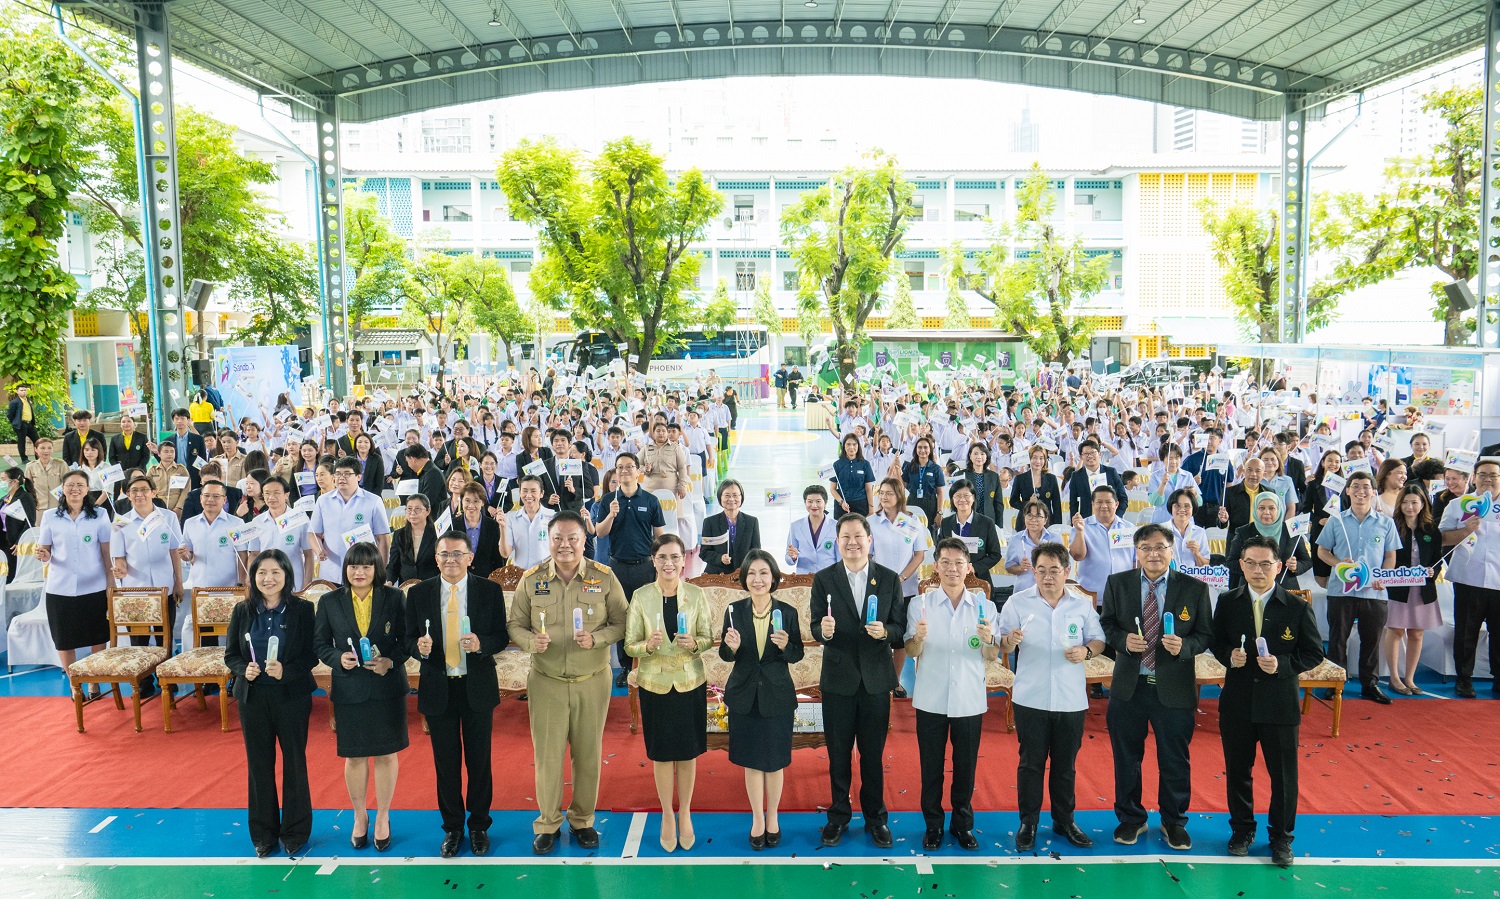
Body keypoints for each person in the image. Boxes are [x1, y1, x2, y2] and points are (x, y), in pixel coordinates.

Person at [506, 512, 629, 855]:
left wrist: (598, 638)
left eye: (573, 538)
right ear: (548, 541)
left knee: (588, 755)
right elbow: (515, 624)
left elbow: (623, 621)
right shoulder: (532, 580)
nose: (565, 545)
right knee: (548, 756)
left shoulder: (603, 577)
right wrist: (530, 642)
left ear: (584, 541)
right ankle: (548, 823)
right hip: (547, 681)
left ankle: (582, 820)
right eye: (558, 538)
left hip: (593, 680)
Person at [1210, 535, 1324, 868]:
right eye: (1250, 563)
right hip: (1238, 702)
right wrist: (1229, 656)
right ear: (1241, 565)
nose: (1257, 570)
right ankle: (1242, 831)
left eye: (1265, 564)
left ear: (1278, 566)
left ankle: (1282, 838)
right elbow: (1216, 642)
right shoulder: (1227, 602)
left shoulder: (1297, 606)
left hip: (1279, 704)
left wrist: (1283, 665)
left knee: (1284, 777)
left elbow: (1314, 653)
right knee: (1238, 772)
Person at [1099, 523, 1213, 850]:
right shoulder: (1118, 583)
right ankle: (1131, 818)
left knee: (1174, 759)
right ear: (1136, 552)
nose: (1153, 554)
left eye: (1160, 547)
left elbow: (1205, 634)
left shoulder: (1193, 588)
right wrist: (1123, 641)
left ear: (1171, 550)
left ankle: (1173, 821)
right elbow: (1107, 624)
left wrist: (1185, 647)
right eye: (1146, 548)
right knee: (1126, 757)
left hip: (1173, 688)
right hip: (1129, 686)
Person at [405, 530, 508, 858]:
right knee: (445, 764)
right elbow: (407, 637)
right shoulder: (419, 593)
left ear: (470, 558)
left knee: (479, 762)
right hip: (438, 687)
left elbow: (501, 636)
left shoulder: (489, 591)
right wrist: (418, 648)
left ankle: (478, 826)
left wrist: (481, 644)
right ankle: (452, 828)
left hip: (476, 685)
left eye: (457, 554)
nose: (451, 560)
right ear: (436, 559)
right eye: (444, 554)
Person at [998, 541, 1105, 851]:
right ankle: (1028, 822)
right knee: (1030, 763)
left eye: (1054, 570)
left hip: (1070, 699)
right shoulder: (1018, 603)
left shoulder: (1081, 605)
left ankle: (1064, 821)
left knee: (1065, 765)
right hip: (1030, 697)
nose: (1047, 577)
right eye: (1041, 570)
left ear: (1067, 571)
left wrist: (1085, 651)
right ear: (1033, 571)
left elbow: (1098, 640)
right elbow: (1001, 644)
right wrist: (1010, 640)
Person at [810, 513, 907, 849]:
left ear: (870, 540)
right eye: (845, 537)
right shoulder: (824, 579)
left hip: (875, 680)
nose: (852, 543)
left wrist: (886, 632)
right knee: (838, 754)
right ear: (837, 542)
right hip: (838, 679)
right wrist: (822, 632)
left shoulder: (889, 579)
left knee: (872, 755)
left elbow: (899, 627)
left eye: (858, 537)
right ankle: (838, 816)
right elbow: (814, 625)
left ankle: (876, 818)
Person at [904, 538, 1000, 852]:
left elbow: (991, 656)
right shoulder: (920, 605)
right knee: (931, 767)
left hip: (969, 699)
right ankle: (933, 826)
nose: (952, 569)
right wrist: (918, 638)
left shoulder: (985, 607)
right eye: (945, 562)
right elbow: (911, 651)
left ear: (969, 567)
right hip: (930, 697)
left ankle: (962, 825)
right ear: (936, 566)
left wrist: (989, 641)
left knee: (965, 767)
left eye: (959, 563)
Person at [314, 541, 409, 853]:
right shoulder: (329, 601)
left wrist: (390, 661)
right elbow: (320, 644)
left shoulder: (394, 598)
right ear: (346, 569)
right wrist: (337, 658)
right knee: (354, 756)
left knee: (385, 754)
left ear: (376, 569)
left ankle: (382, 815)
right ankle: (359, 815)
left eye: (367, 566)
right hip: (349, 688)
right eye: (354, 566)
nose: (359, 572)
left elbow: (406, 640)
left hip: (386, 687)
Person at [223, 549, 317, 858]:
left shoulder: (303, 610)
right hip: (253, 698)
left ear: (287, 575)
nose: (268, 578)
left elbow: (311, 655)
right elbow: (231, 655)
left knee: (294, 763)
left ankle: (295, 831)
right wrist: (243, 670)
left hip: (292, 696)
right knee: (259, 765)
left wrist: (286, 671)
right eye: (262, 573)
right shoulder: (242, 610)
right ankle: (263, 834)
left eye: (276, 572)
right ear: (253, 577)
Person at [624, 534, 711, 852]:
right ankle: (666, 813)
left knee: (687, 752)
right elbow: (629, 644)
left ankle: (684, 812)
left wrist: (696, 643)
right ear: (654, 560)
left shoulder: (696, 595)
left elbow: (708, 637)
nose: (669, 563)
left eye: (675, 557)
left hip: (689, 682)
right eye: (662, 557)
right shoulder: (641, 596)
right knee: (661, 753)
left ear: (683, 560)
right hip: (654, 684)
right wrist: (646, 646)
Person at [720, 549, 804, 849]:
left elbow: (797, 654)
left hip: (776, 694)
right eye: (752, 573)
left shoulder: (787, 612)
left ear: (773, 578)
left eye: (764, 573)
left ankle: (773, 817)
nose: (758, 579)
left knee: (774, 761)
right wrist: (731, 647)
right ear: (744, 578)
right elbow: (725, 654)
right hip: (744, 694)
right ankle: (757, 818)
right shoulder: (733, 610)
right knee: (752, 762)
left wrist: (785, 646)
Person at [1315, 470, 1399, 704]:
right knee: (1337, 639)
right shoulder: (1336, 520)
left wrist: (1384, 577)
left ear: (1374, 492)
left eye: (1366, 487)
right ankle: (1335, 682)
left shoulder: (1386, 522)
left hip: (1374, 591)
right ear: (1348, 491)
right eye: (1356, 486)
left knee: (1371, 640)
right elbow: (1322, 551)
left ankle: (1370, 684)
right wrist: (1338, 563)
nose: (1361, 491)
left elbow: (1390, 556)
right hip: (1341, 590)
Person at [592, 453, 666, 686]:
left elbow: (659, 537)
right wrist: (611, 515)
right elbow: (600, 532)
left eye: (629, 467)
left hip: (645, 567)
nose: (624, 471)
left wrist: (660, 566)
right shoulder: (608, 500)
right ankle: (625, 667)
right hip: (617, 567)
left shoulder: (651, 500)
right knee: (621, 617)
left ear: (638, 471)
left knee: (646, 615)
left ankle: (648, 661)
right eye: (620, 467)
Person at [36, 471, 114, 683]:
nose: (75, 489)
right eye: (70, 485)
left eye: (80, 485)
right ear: (63, 489)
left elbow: (106, 552)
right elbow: (45, 550)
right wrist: (43, 555)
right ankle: (74, 684)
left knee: (98, 635)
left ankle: (94, 682)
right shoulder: (50, 516)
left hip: (94, 585)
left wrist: (111, 582)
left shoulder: (100, 515)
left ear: (87, 489)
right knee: (64, 639)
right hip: (60, 587)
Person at [110, 476, 184, 683]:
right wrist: (120, 570)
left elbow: (174, 552)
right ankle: (143, 682)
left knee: (165, 637)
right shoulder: (120, 522)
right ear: (127, 495)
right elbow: (119, 557)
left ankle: (166, 679)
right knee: (139, 639)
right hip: (135, 591)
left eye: (144, 489)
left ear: (154, 492)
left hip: (164, 588)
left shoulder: (168, 517)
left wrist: (178, 582)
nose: (139, 494)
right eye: (134, 490)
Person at [1438, 457, 1500, 698]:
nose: (1488, 479)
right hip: (1468, 578)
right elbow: (1442, 538)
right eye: (1482, 474)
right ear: (1474, 478)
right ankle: (1464, 679)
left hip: (1499, 581)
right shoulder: (1458, 505)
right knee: (1466, 632)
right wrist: (1465, 530)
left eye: (1493, 475)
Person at [1386, 484, 1443, 696]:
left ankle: (1410, 678)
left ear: (1422, 504)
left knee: (1417, 633)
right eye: (1405, 502)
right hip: (1397, 588)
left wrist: (1432, 571)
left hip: (1422, 589)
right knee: (1396, 630)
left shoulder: (1431, 530)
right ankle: (1394, 677)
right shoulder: (1391, 526)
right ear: (1399, 504)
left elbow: (1437, 559)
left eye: (1414, 502)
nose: (1409, 507)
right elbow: (1386, 556)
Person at [309, 456, 392, 579]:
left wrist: (380, 572)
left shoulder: (373, 501)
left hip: (362, 572)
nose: (341, 478)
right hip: (332, 571)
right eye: (338, 474)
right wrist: (319, 549)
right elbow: (313, 533)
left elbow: (383, 540)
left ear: (359, 476)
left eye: (347, 474)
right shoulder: (323, 501)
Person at [1225, 493, 1310, 591]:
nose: (1266, 512)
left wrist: (1296, 566)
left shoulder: (1291, 530)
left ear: (1279, 509)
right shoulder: (1243, 532)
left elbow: (1306, 561)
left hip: (1285, 589)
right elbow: (1231, 562)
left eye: (1271, 508)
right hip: (1251, 590)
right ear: (1255, 510)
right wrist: (1249, 567)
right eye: (1261, 508)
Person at [1069, 485, 1137, 602]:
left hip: (1123, 595)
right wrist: (1080, 531)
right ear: (1093, 504)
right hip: (1092, 596)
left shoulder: (1129, 528)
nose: (1104, 506)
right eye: (1099, 502)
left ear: (1116, 504)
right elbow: (1077, 556)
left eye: (1108, 502)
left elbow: (1136, 561)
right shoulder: (1081, 526)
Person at [937, 480, 1004, 579]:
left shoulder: (986, 523)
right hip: (951, 576)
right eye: (958, 496)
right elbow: (937, 552)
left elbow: (995, 554)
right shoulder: (946, 523)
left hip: (978, 578)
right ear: (952, 499)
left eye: (966, 495)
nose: (962, 499)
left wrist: (974, 568)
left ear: (973, 498)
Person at [700, 479, 761, 575]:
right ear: (720, 497)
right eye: (727, 495)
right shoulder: (710, 522)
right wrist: (720, 558)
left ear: (741, 497)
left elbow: (756, 552)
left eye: (735, 495)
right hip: (717, 575)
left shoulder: (752, 522)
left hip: (743, 574)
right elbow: (704, 553)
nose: (731, 499)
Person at [1004, 498, 1062, 596]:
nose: (1033, 520)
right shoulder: (1016, 540)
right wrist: (1020, 568)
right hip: (1023, 592)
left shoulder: (1055, 538)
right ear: (1024, 517)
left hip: (1049, 592)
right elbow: (1008, 567)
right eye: (1029, 515)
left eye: (1038, 516)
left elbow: (1063, 565)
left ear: (1045, 519)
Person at [1065, 441, 1128, 519]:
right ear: (1081, 457)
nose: (1090, 456)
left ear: (1099, 454)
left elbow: (1123, 498)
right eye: (1086, 453)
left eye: (1093, 452)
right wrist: (1076, 522)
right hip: (1087, 521)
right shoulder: (1076, 476)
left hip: (1110, 520)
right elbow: (1073, 503)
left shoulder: (1111, 472)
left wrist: (1115, 517)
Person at [388, 493, 439, 584]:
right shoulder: (399, 534)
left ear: (428, 511)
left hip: (431, 585)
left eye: (417, 509)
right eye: (409, 509)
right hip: (406, 587)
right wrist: (389, 581)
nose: (412, 513)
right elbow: (393, 564)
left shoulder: (437, 533)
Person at [456, 482, 505, 577]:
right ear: (462, 501)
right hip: (458, 577)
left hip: (485, 579)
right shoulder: (453, 525)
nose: (471, 505)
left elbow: (498, 559)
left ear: (482, 502)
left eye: (476, 501)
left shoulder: (493, 526)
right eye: (467, 501)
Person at [902, 436, 945, 532]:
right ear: (916, 449)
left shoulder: (936, 469)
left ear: (930, 450)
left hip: (930, 504)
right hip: (913, 502)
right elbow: (902, 487)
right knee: (911, 532)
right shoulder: (909, 467)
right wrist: (896, 469)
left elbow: (940, 492)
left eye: (925, 447)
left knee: (928, 533)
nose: (922, 450)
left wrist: (939, 513)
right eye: (920, 447)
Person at [1163, 489, 1211, 570]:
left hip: (1191, 577)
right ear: (1171, 507)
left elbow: (1205, 566)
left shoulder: (1200, 532)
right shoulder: (1161, 530)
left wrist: (1197, 553)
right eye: (1177, 505)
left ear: (1193, 508)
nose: (1182, 510)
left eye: (1187, 506)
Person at [830, 434, 876, 518]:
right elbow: (832, 489)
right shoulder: (837, 465)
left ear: (858, 446)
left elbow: (869, 489)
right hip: (842, 506)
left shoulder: (865, 464)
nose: (851, 447)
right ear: (844, 446)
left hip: (861, 505)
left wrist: (871, 509)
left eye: (854, 444)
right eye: (848, 444)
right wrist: (841, 502)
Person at [956, 443, 1003, 525]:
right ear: (970, 456)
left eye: (982, 454)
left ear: (986, 456)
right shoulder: (961, 475)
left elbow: (998, 503)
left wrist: (999, 526)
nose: (979, 457)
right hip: (966, 520)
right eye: (975, 454)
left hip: (988, 520)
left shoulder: (994, 476)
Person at [25, 436, 68, 513]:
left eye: (49, 448)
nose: (46, 451)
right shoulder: (30, 466)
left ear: (53, 449)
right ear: (36, 449)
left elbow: (68, 483)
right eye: (42, 448)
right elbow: (28, 487)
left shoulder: (61, 464)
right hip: (38, 506)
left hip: (57, 505)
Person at [147, 442, 191, 517]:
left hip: (176, 508)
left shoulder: (181, 470)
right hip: (157, 508)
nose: (170, 454)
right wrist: (156, 505)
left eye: (172, 451)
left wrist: (179, 507)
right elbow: (148, 489)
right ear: (159, 454)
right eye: (166, 451)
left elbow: (186, 490)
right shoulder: (152, 470)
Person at [7, 383, 39, 463]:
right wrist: (15, 422)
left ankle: (38, 457)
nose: (24, 392)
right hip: (21, 425)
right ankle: (24, 459)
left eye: (25, 390)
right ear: (17, 392)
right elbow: (10, 415)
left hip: (30, 424)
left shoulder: (28, 400)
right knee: (22, 442)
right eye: (21, 390)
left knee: (37, 441)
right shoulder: (14, 402)